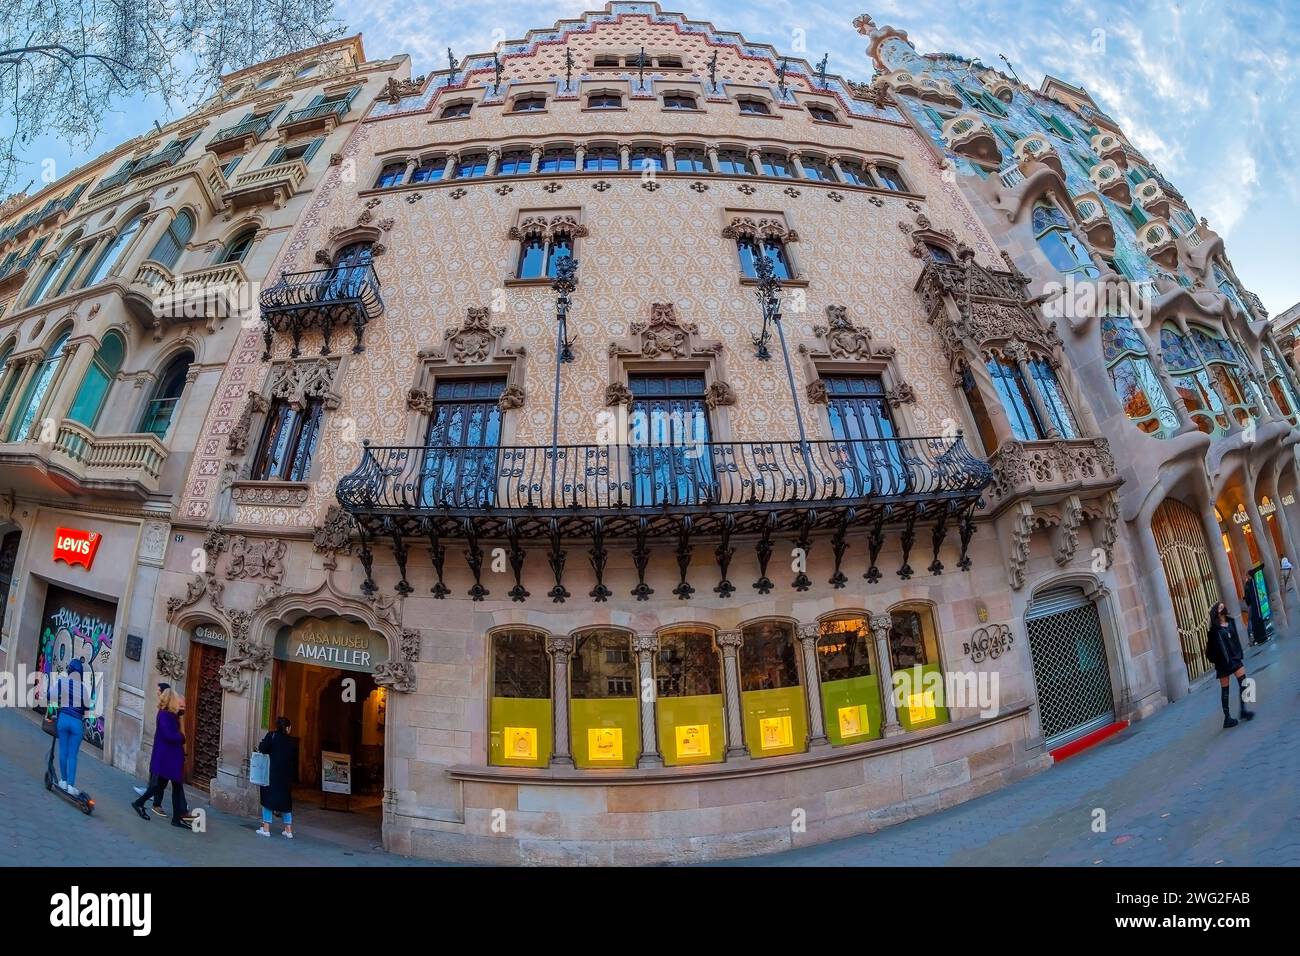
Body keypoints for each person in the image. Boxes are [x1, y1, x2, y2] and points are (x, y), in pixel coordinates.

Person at [131, 689, 195, 829]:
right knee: (160, 786)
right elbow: (169, 735)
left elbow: (177, 720)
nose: (180, 705)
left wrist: (180, 712)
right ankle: (139, 803)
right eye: (177, 701)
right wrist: (182, 737)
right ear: (171, 700)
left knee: (172, 786)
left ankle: (176, 818)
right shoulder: (165, 715)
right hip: (167, 758)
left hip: (171, 758)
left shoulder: (171, 714)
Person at [1205, 601, 1255, 729]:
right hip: (1223, 663)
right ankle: (1227, 718)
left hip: (1235, 659)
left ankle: (1243, 710)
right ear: (1216, 612)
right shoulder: (1214, 630)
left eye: (1223, 607)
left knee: (1244, 683)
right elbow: (1210, 650)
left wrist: (1239, 654)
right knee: (1225, 690)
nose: (1223, 609)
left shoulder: (1231, 622)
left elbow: (1236, 640)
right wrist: (1217, 660)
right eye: (1220, 608)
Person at [132, 683, 172, 816]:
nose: (156, 692)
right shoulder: (164, 711)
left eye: (159, 690)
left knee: (160, 780)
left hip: (162, 751)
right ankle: (152, 801)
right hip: (161, 750)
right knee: (159, 780)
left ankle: (152, 800)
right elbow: (167, 734)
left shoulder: (167, 711)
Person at [257, 717, 299, 839]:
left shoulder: (272, 736)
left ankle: (266, 828)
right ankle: (288, 829)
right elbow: (294, 759)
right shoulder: (291, 741)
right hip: (286, 775)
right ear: (287, 728)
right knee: (286, 800)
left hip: (271, 773)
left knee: (267, 798)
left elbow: (263, 749)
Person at [52, 659, 90, 794]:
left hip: (63, 719)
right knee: (73, 755)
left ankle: (63, 781)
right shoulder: (84, 689)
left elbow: (51, 695)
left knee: (63, 751)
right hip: (77, 724)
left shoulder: (62, 682)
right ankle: (71, 786)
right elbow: (87, 708)